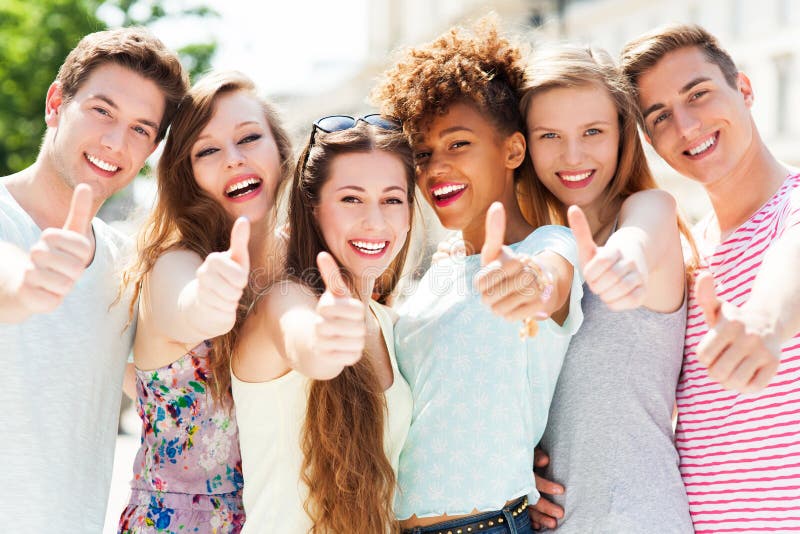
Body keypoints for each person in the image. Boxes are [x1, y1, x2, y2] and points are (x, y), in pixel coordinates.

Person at [373, 20, 583, 534]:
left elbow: (547, 282)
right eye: (422, 153)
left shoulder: (548, 245)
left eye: (458, 143)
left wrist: (529, 284)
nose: (435, 167)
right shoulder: (430, 276)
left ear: (512, 151)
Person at [0, 28, 187, 532]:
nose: (114, 141)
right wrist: (23, 286)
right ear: (56, 103)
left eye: (141, 129)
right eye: (102, 111)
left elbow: (156, 386)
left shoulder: (126, 266)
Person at [618, 24, 800, 532]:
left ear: (743, 88)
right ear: (652, 142)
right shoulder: (685, 253)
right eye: (660, 117)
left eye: (698, 93)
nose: (687, 124)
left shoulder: (794, 208)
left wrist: (765, 323)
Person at [518, 45, 694, 532]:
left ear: (622, 135)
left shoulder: (648, 210)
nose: (572, 156)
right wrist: (519, 467)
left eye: (592, 132)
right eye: (549, 135)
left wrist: (625, 262)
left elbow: (640, 240)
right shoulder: (539, 253)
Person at [116, 71, 293, 533]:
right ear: (187, 174)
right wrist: (208, 304)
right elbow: (188, 305)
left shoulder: (305, 259)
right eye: (208, 150)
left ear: (281, 151)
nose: (234, 159)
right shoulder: (171, 265)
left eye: (250, 138)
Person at [231, 116, 414, 533]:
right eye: (351, 199)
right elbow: (305, 341)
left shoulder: (387, 323)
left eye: (392, 200)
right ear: (313, 209)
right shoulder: (284, 301)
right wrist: (325, 343)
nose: (375, 221)